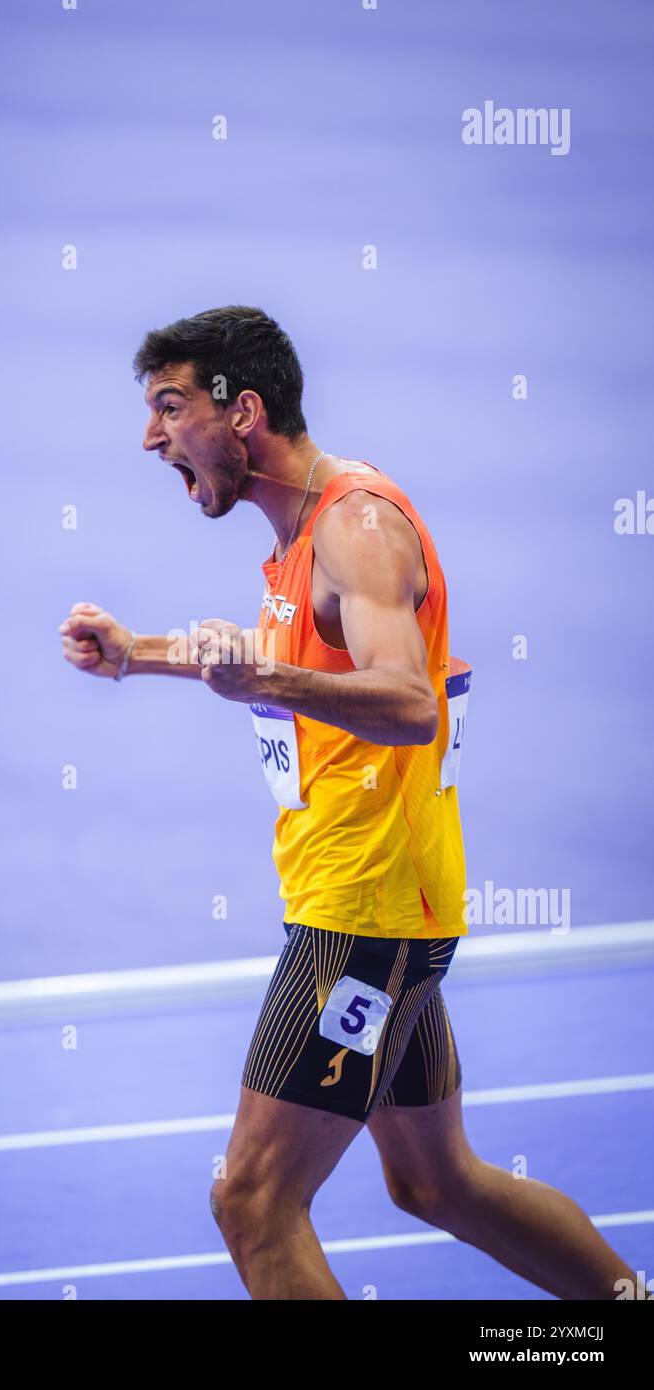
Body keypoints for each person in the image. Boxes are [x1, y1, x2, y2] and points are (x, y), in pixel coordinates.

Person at [59, 305, 633, 1301]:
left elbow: (407, 702)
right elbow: (278, 659)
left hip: (360, 922)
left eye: (168, 407)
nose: (150, 437)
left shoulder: (356, 528)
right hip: (382, 905)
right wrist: (138, 653)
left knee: (250, 1202)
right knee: (432, 1179)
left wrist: (265, 686)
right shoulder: (296, 534)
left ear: (241, 412)